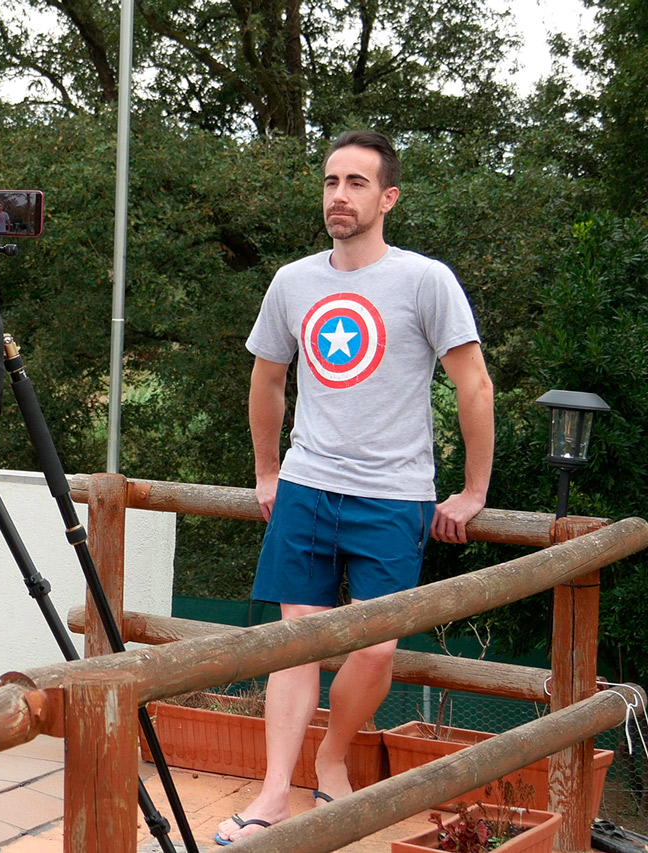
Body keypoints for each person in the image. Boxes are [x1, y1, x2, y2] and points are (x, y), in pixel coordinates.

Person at [215, 130, 495, 844]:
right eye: (332, 180)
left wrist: (472, 491)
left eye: (357, 183)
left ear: (388, 197)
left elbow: (474, 383)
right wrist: (267, 471)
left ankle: (331, 758)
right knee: (293, 642)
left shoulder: (424, 281)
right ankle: (274, 791)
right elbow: (267, 378)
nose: (340, 194)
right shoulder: (293, 281)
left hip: (395, 494)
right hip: (307, 487)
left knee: (374, 650)